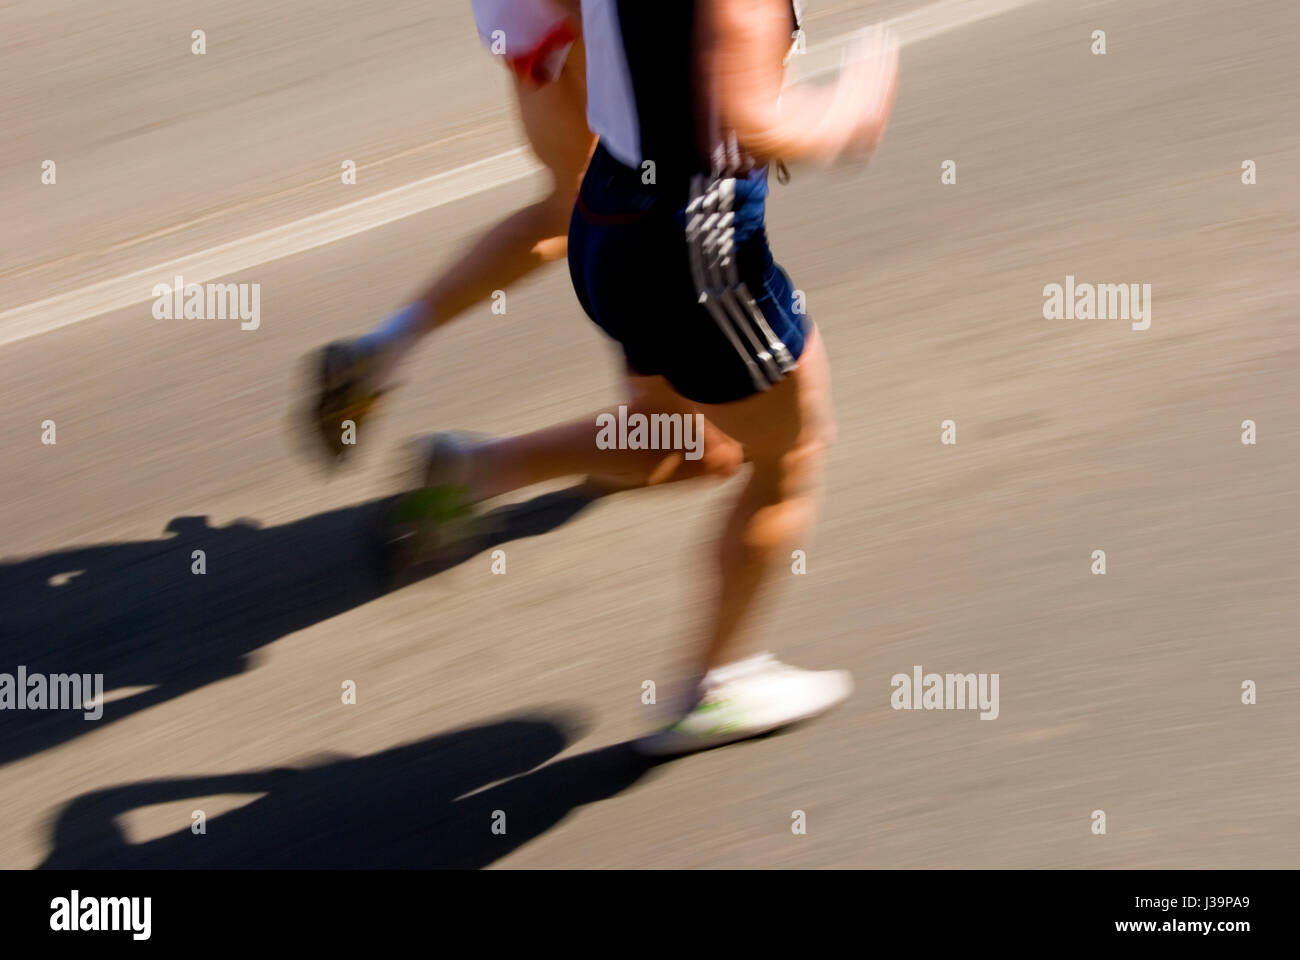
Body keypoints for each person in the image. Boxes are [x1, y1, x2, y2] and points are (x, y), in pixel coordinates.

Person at [392, 0, 900, 756]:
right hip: (695, 255)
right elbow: (749, 117)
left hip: (608, 221)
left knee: (695, 449)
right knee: (789, 456)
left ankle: (479, 469)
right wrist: (845, 115)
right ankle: (714, 687)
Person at [307, 0, 596, 459]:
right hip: (576, 18)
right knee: (628, 196)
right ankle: (707, 403)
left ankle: (386, 347)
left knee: (574, 207)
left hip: (530, 18)